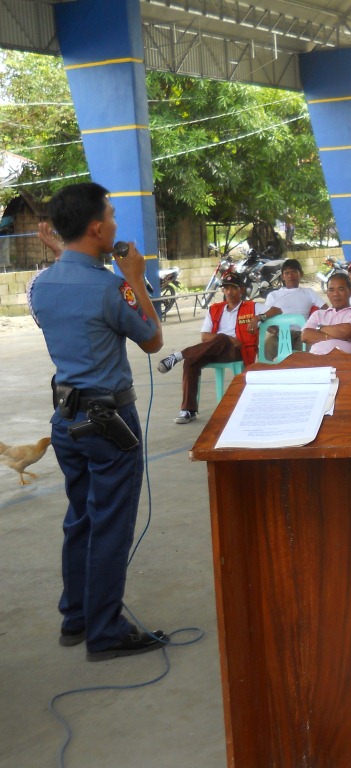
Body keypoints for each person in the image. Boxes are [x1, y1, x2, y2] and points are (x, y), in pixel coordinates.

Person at [30, 182, 167, 661]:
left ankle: (77, 617)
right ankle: (107, 632)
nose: (115, 223)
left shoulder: (41, 286)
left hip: (66, 418)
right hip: (109, 420)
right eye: (110, 215)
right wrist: (134, 278)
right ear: (95, 228)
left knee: (81, 516)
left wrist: (69, 256)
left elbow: (68, 289)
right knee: (110, 523)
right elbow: (152, 339)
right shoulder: (113, 289)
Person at [159, 272, 258, 424]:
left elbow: (276, 310)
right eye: (226, 288)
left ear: (242, 290)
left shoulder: (251, 307)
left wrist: (259, 317)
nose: (229, 292)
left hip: (237, 352)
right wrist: (229, 339)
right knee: (191, 361)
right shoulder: (215, 309)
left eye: (233, 288)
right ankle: (188, 410)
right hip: (216, 348)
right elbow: (205, 336)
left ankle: (178, 355)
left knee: (221, 339)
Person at [249, 258, 324, 359]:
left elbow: (326, 310)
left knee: (311, 353)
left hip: (302, 333)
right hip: (279, 334)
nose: (290, 275)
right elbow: (265, 320)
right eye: (287, 273)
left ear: (301, 274)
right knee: (266, 348)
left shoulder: (309, 292)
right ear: (282, 276)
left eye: (294, 272)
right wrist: (275, 331)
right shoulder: (273, 295)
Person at [301, 271, 351, 354]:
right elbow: (305, 336)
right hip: (315, 360)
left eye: (341, 289)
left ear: (350, 292)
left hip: (343, 362)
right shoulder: (318, 314)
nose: (335, 294)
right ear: (327, 293)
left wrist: (319, 328)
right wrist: (331, 336)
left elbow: (345, 332)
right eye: (331, 290)